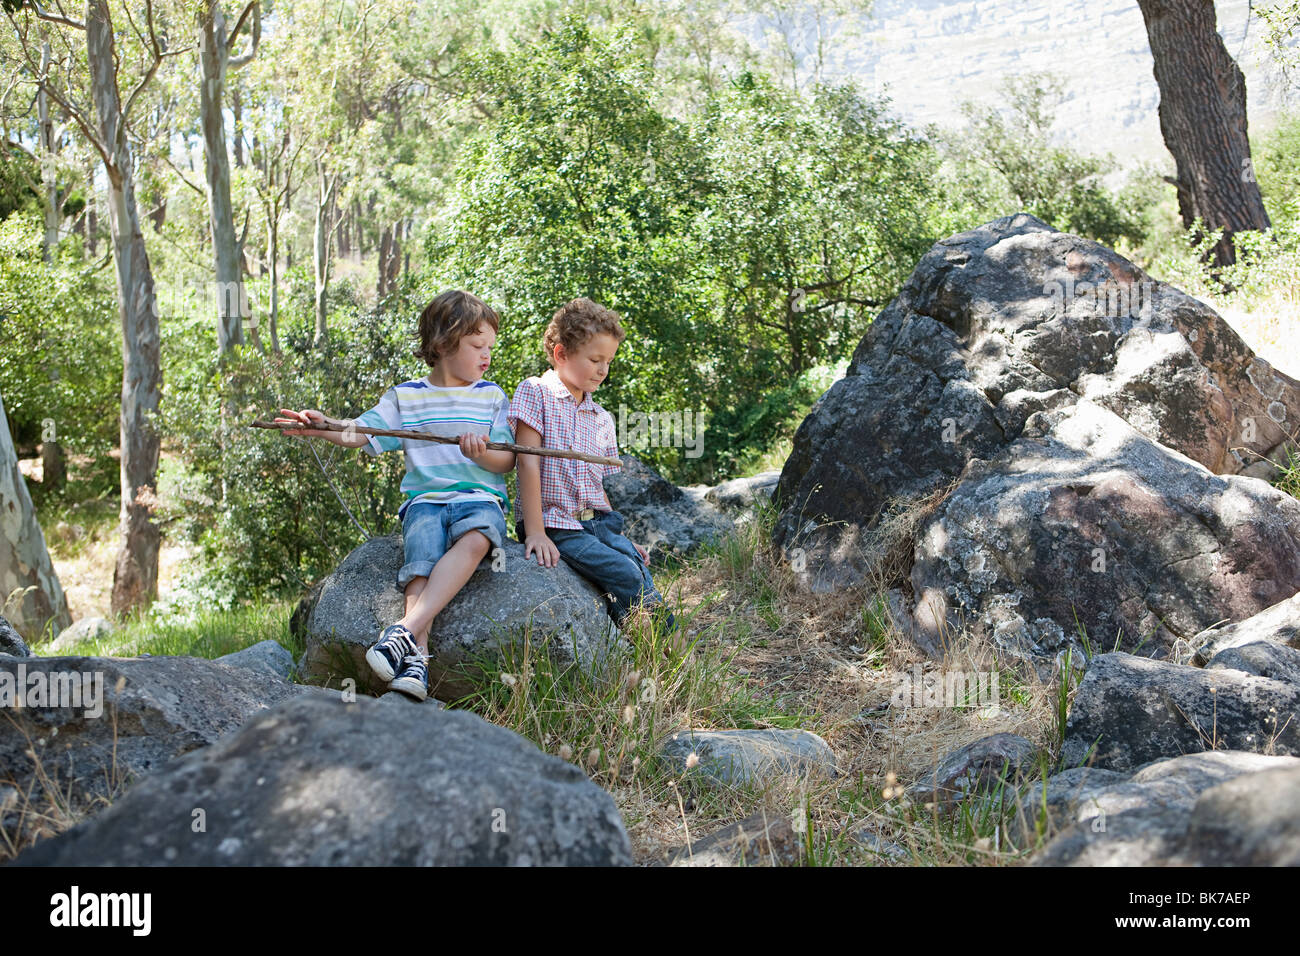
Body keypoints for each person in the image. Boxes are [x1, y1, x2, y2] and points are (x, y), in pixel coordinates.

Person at [274, 290, 516, 700]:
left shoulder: (490, 396)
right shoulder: (406, 396)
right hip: (424, 502)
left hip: (478, 497)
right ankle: (416, 661)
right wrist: (324, 425)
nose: (486, 355)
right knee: (419, 567)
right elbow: (362, 432)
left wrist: (484, 452)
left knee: (478, 538)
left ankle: (402, 632)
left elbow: (507, 460)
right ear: (442, 344)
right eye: (477, 346)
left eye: (489, 347)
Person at [509, 297, 679, 646]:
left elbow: (595, 484)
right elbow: (527, 461)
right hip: (556, 523)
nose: (603, 370)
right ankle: (669, 651)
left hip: (596, 523)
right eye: (595, 359)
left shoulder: (601, 417)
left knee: (635, 562)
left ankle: (658, 650)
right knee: (625, 572)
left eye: (609, 362)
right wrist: (536, 532)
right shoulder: (535, 392)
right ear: (561, 354)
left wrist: (619, 536)